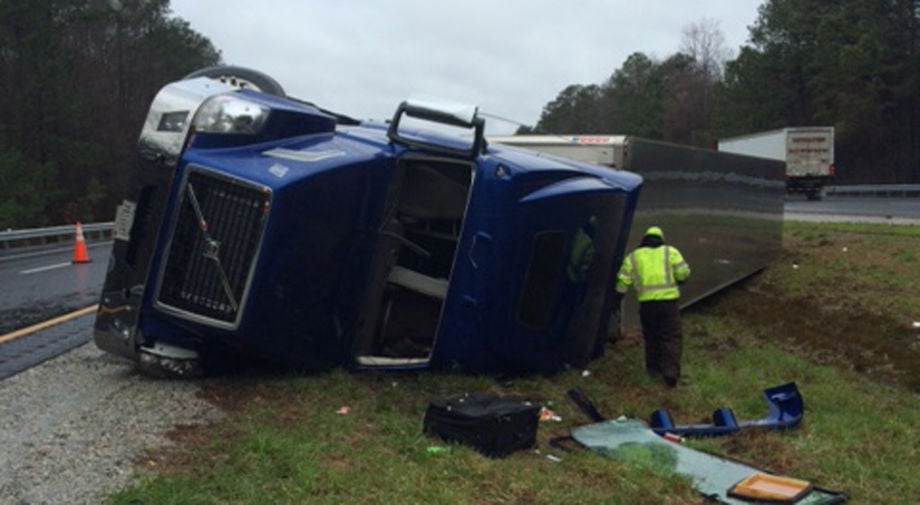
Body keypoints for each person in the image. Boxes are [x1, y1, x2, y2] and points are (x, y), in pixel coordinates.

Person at [616, 226, 690, 387]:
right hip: (669, 304)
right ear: (661, 239)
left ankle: (653, 370)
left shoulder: (634, 257)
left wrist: (617, 297)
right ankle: (670, 371)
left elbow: (622, 281)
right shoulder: (670, 252)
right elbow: (683, 273)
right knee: (670, 336)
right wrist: (680, 280)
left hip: (647, 305)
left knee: (651, 337)